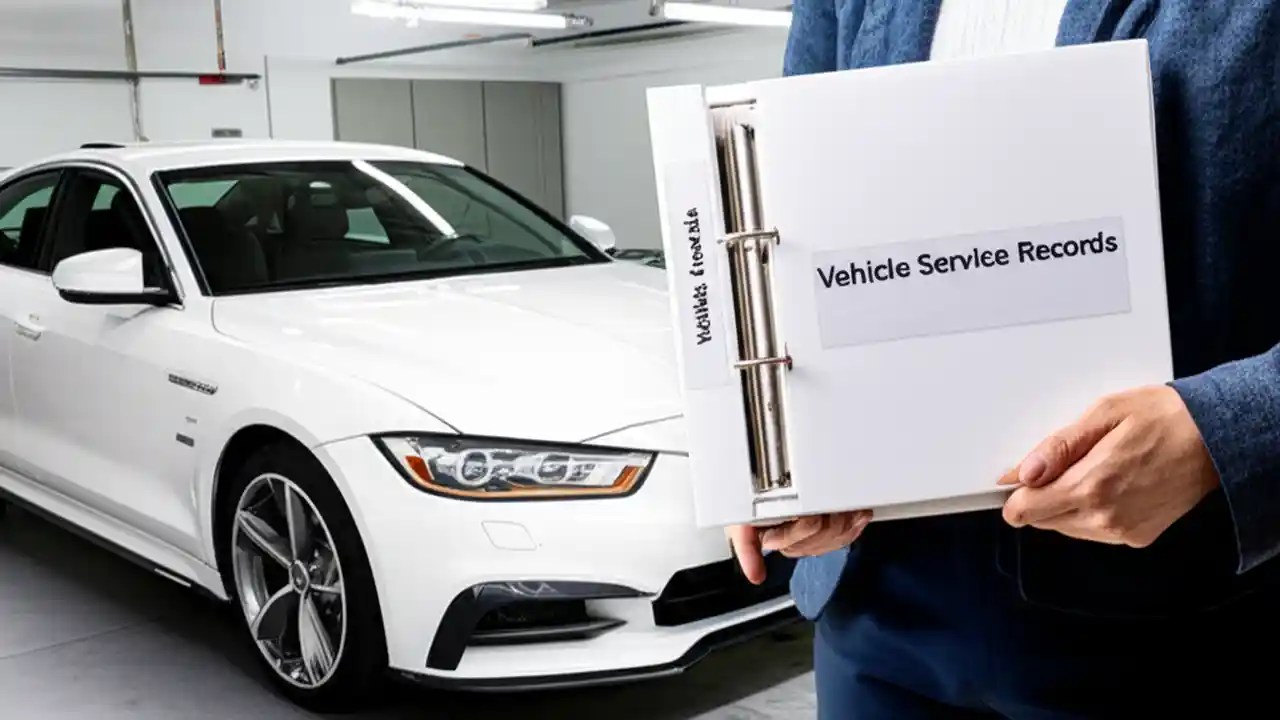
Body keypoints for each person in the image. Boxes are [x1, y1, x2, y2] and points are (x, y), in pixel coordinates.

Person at [728, 2, 1280, 717]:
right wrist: (774, 449)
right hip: (878, 612)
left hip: (1179, 619)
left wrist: (1226, 431)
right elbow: (790, 211)